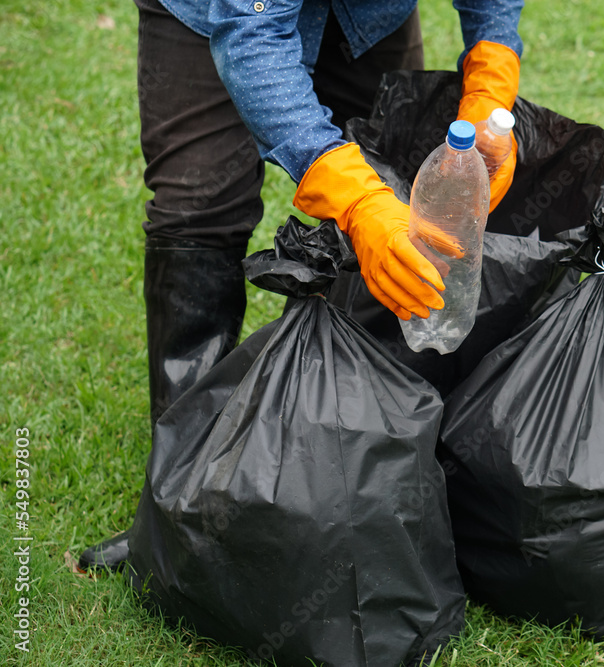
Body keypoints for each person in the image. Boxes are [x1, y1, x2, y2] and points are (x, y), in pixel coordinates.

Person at [78, 0, 523, 573]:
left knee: (391, 178)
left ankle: (369, 481)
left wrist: (492, 71)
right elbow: (252, 32)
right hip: (218, 13)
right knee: (201, 208)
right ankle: (181, 507)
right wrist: (352, 196)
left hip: (368, 16)